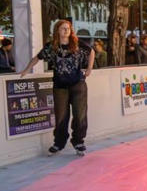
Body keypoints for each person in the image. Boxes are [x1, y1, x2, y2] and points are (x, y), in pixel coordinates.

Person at [18, 19, 94, 156]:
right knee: (60, 116)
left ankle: (78, 141)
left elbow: (91, 51)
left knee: (80, 114)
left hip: (78, 85)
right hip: (60, 86)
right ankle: (59, 143)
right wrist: (26, 69)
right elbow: (37, 58)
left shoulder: (77, 44)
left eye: (68, 28)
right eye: (63, 28)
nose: (66, 30)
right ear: (57, 30)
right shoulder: (52, 47)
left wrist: (89, 69)